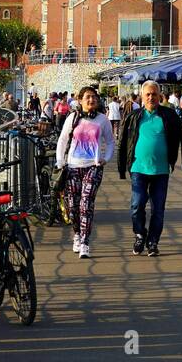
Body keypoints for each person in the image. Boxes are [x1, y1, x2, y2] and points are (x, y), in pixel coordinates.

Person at [117, 80, 182, 256]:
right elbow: (122, 142)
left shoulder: (169, 115)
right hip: (138, 169)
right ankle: (140, 234)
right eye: (147, 94)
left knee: (158, 209)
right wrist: (121, 168)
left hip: (161, 170)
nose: (151, 97)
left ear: (160, 96)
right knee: (137, 205)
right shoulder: (134, 116)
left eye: (154, 94)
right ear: (142, 96)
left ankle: (153, 242)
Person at [55, 86, 115, 258]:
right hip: (73, 167)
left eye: (94, 97)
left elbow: (110, 142)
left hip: (93, 167)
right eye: (88, 97)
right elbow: (62, 140)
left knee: (86, 204)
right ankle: (77, 234)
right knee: (72, 207)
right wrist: (60, 162)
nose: (91, 100)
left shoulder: (103, 120)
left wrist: (106, 158)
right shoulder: (73, 118)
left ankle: (85, 242)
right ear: (80, 100)